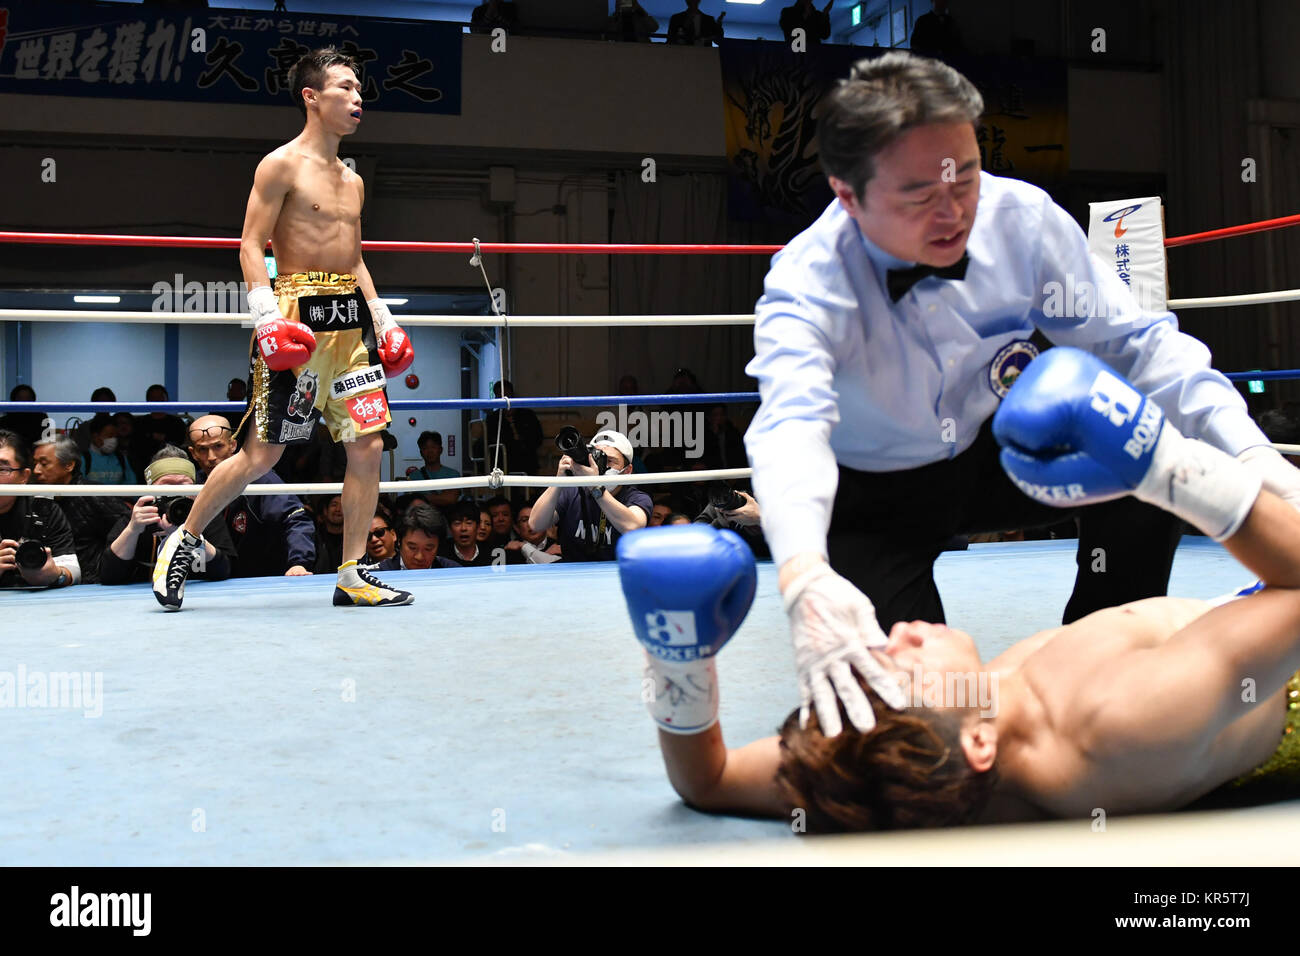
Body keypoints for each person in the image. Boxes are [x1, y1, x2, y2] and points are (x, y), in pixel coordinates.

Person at [743, 52, 1300, 739]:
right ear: (847, 195)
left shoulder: (1021, 219)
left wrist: (1249, 450)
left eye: (967, 179)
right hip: (873, 498)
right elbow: (790, 427)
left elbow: (1137, 344)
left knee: (1137, 450)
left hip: (995, 453)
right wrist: (802, 575)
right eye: (919, 195)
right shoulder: (807, 283)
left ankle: (1102, 664)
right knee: (917, 725)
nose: (953, 214)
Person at [619, 350, 1300, 831]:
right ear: (978, 747)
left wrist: (677, 658)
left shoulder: (879, 764)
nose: (898, 632)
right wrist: (1162, 463)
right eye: (900, 661)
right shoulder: (1117, 719)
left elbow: (704, 781)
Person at [151, 47, 416, 611]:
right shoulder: (279, 165)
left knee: (367, 444)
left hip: (349, 321)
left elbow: (357, 259)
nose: (357, 96)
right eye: (345, 87)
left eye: (359, 88)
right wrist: (266, 317)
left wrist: (385, 319)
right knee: (263, 453)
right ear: (312, 97)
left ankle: (352, 574)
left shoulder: (354, 180)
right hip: (295, 311)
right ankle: (183, 540)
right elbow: (250, 244)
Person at [188, 414, 315, 577]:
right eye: (203, 449)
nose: (211, 457)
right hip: (210, 581)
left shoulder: (261, 480)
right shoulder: (192, 485)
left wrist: (299, 563)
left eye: (218, 446)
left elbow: (295, 519)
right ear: (193, 453)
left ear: (232, 445)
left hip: (260, 580)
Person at [102, 446, 236, 587]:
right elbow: (109, 576)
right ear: (151, 488)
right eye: (167, 486)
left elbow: (225, 570)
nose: (175, 493)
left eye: (183, 486)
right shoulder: (137, 519)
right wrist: (132, 530)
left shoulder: (207, 516)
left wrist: (189, 537)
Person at [529, 429, 650, 561]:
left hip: (618, 574)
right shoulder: (572, 491)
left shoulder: (637, 498)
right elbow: (536, 524)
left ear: (627, 471)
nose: (601, 466)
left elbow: (632, 526)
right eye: (597, 458)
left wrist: (595, 487)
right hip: (572, 574)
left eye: (610, 461)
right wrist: (559, 480)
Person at [33, 435, 130, 584]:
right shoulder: (38, 500)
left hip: (94, 584)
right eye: (35, 463)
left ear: (69, 466)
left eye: (44, 464)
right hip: (49, 580)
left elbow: (127, 532)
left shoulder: (94, 495)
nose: (36, 470)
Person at [0, 430, 79, 589]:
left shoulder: (44, 508)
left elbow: (74, 571)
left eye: (2, 469)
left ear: (24, 477)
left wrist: (55, 575)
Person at [372, 501, 459, 571]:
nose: (419, 557)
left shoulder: (453, 572)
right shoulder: (379, 574)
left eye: (428, 549)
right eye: (412, 548)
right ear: (399, 542)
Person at [407, 430, 460, 511]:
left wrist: (422, 497)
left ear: (440, 450)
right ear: (421, 453)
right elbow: (411, 502)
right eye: (425, 448)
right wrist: (441, 497)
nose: (430, 451)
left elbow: (451, 499)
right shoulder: (414, 476)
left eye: (433, 447)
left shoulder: (453, 474)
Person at [0, 384, 48, 450]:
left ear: (32, 400)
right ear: (14, 399)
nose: (24, 400)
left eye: (27, 398)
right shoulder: (5, 419)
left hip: (35, 453)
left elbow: (46, 441)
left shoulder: (41, 417)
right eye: (20, 398)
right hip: (11, 451)